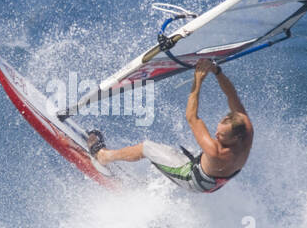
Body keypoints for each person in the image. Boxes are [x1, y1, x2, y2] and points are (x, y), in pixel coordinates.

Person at [87, 59, 252, 193]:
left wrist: (198, 80)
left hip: (194, 180)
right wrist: (217, 71)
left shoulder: (216, 151)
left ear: (236, 137)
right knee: (166, 154)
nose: (216, 134)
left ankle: (103, 157)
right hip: (215, 178)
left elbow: (191, 117)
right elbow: (232, 94)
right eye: (218, 130)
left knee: (146, 148)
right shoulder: (246, 127)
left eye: (222, 136)